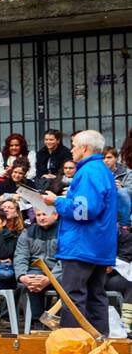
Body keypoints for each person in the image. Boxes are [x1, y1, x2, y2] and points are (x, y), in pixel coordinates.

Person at [43, 131, 118, 336]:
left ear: (84, 148)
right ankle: (100, 349)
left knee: (74, 299)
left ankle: (73, 350)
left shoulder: (88, 172)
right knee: (96, 298)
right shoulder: (101, 170)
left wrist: (57, 201)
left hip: (82, 244)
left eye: (74, 145)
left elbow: (84, 211)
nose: (72, 149)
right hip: (97, 244)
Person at [14, 206, 60, 323]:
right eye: (38, 215)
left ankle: (60, 323)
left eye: (45, 214)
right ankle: (37, 322)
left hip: (58, 271)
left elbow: (66, 260)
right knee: (32, 281)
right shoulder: (28, 232)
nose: (41, 218)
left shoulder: (65, 232)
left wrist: (51, 278)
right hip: (36, 269)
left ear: (56, 215)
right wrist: (22, 276)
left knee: (69, 282)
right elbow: (20, 256)